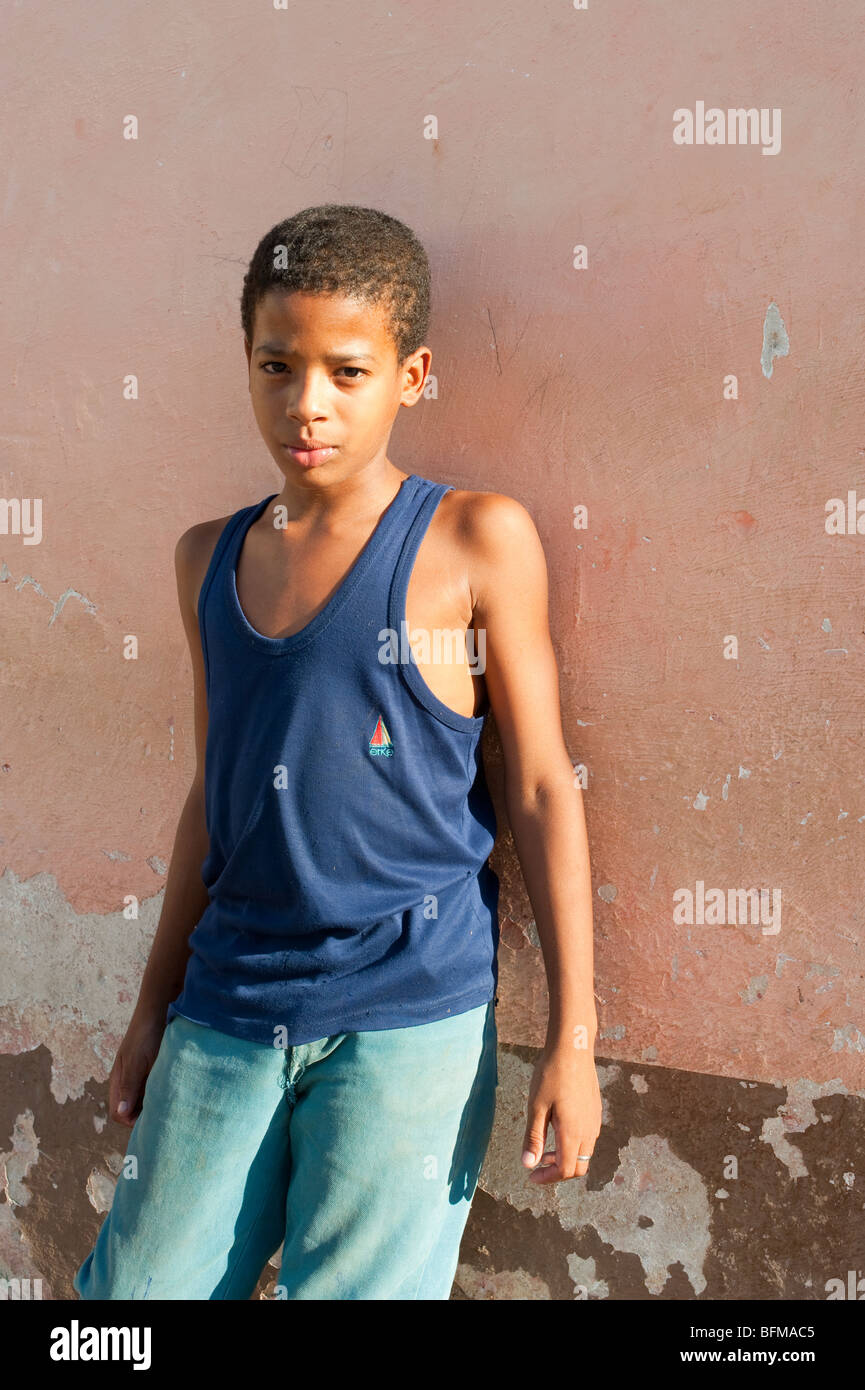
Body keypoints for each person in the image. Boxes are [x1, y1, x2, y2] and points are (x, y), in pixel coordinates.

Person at [74, 204, 601, 1301]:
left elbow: (543, 786)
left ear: (411, 376)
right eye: (277, 365)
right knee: (128, 1305)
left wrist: (573, 1037)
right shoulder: (208, 559)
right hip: (228, 1001)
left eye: (347, 372)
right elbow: (212, 797)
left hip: (407, 1013)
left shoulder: (471, 541)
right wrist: (150, 1008)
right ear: (248, 366)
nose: (306, 403)